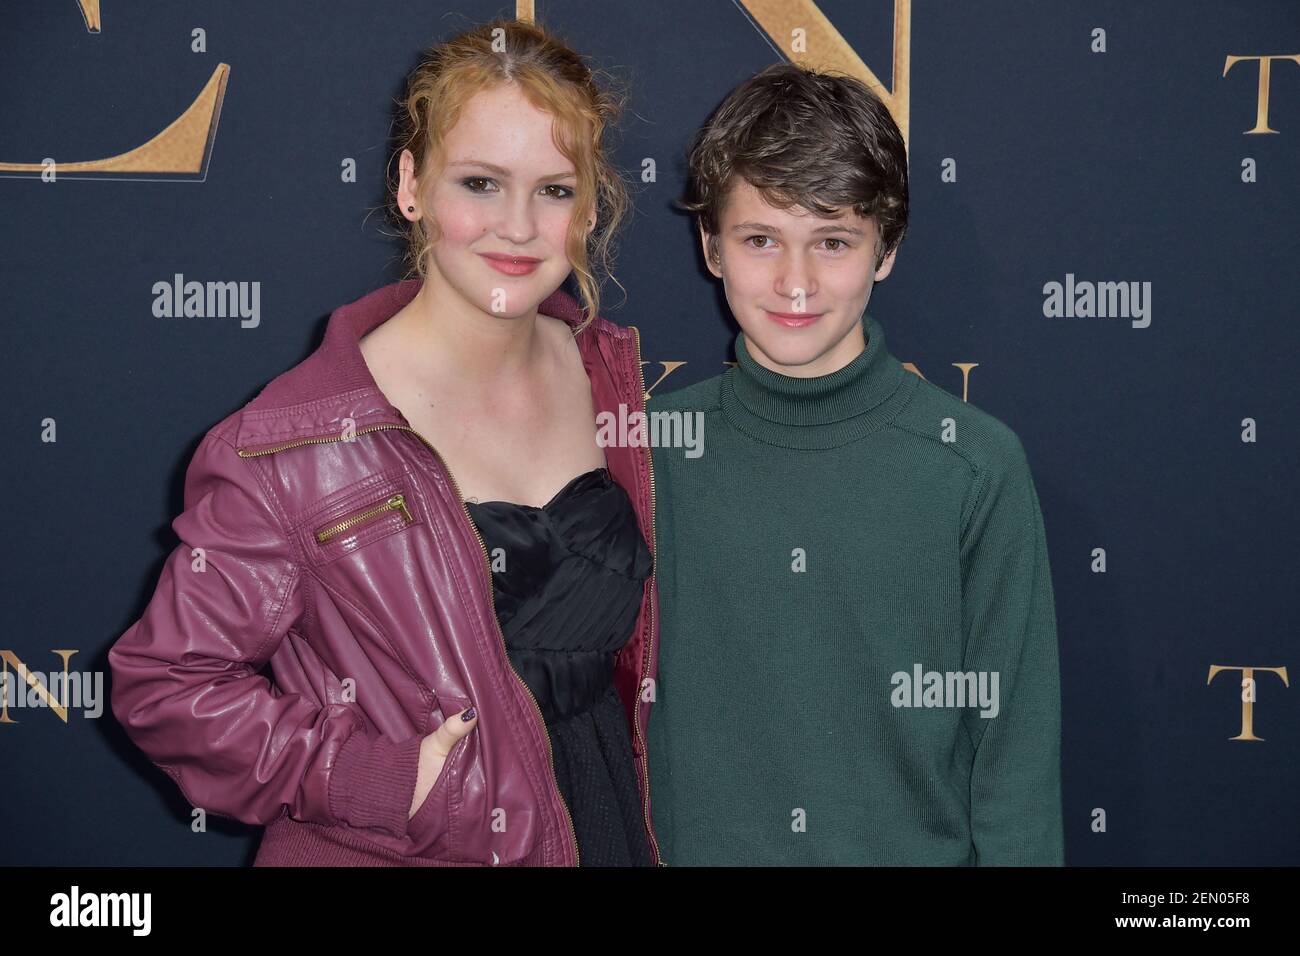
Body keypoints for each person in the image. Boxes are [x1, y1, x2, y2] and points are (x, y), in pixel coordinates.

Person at [108, 18, 660, 867]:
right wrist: (375, 778)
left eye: (553, 190)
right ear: (412, 185)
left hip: (599, 823)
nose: (516, 226)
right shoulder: (293, 444)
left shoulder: (606, 369)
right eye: (479, 183)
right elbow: (165, 686)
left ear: (588, 206)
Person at [645, 62, 1064, 865]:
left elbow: (1015, 765)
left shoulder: (975, 466)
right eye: (761, 238)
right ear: (711, 247)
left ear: (887, 250)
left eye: (832, 241)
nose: (794, 283)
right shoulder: (647, 452)